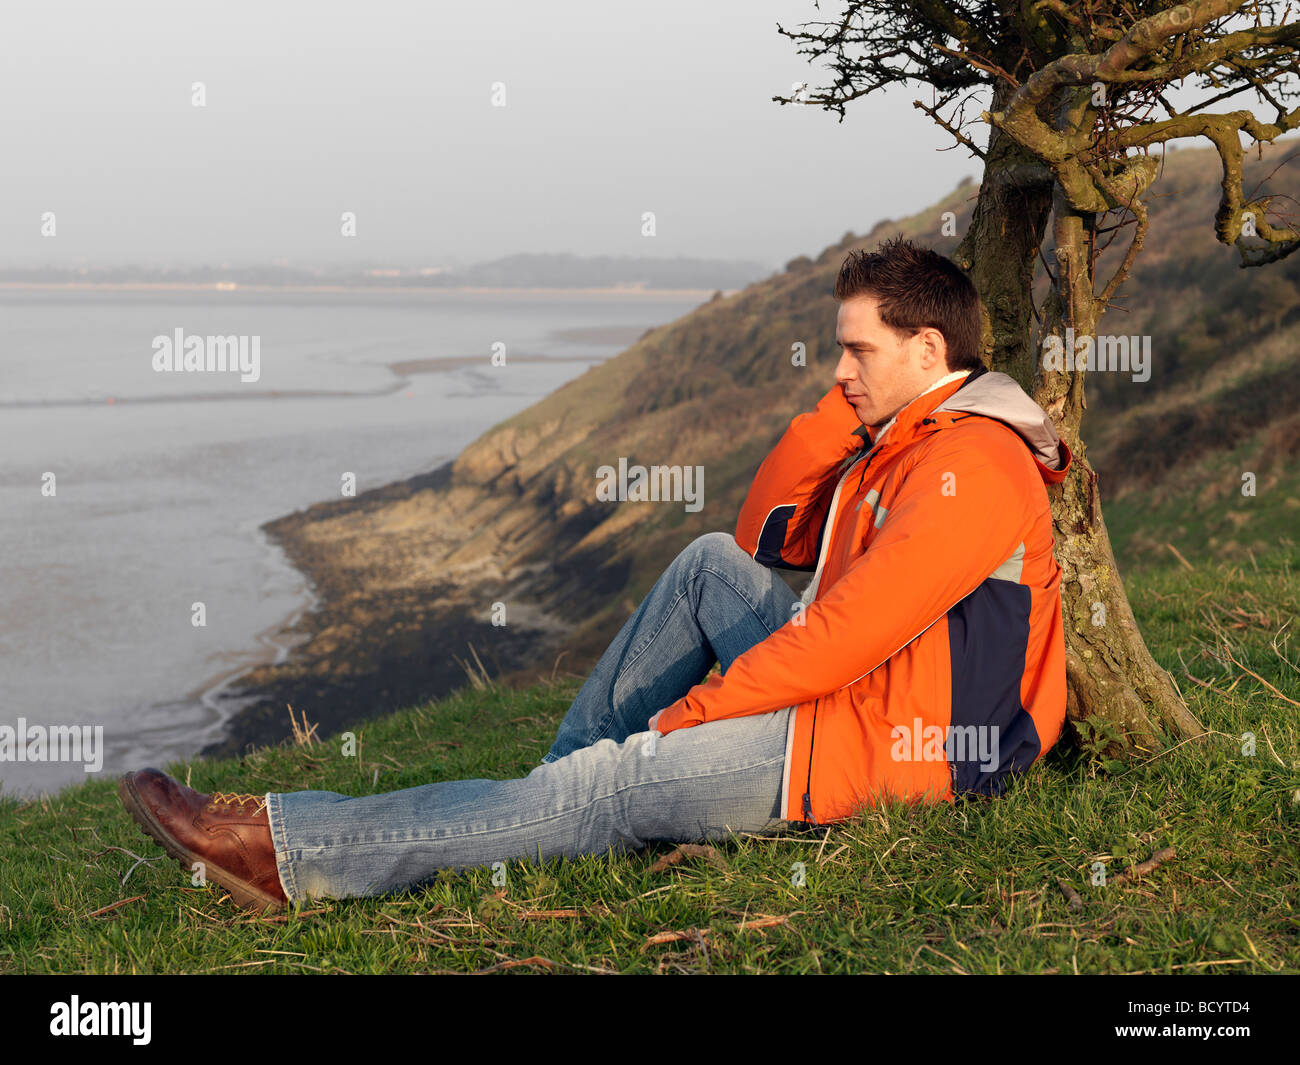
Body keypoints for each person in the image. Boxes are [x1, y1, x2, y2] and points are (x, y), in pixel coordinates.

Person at [118, 236, 1072, 912]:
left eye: (858, 350)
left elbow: (844, 637)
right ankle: (551, 799)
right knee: (708, 566)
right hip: (865, 702)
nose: (840, 368)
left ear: (931, 350)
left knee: (614, 783)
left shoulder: (969, 464)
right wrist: (843, 411)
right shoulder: (904, 438)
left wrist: (685, 720)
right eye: (837, 349)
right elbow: (768, 534)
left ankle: (293, 853)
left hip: (900, 751)